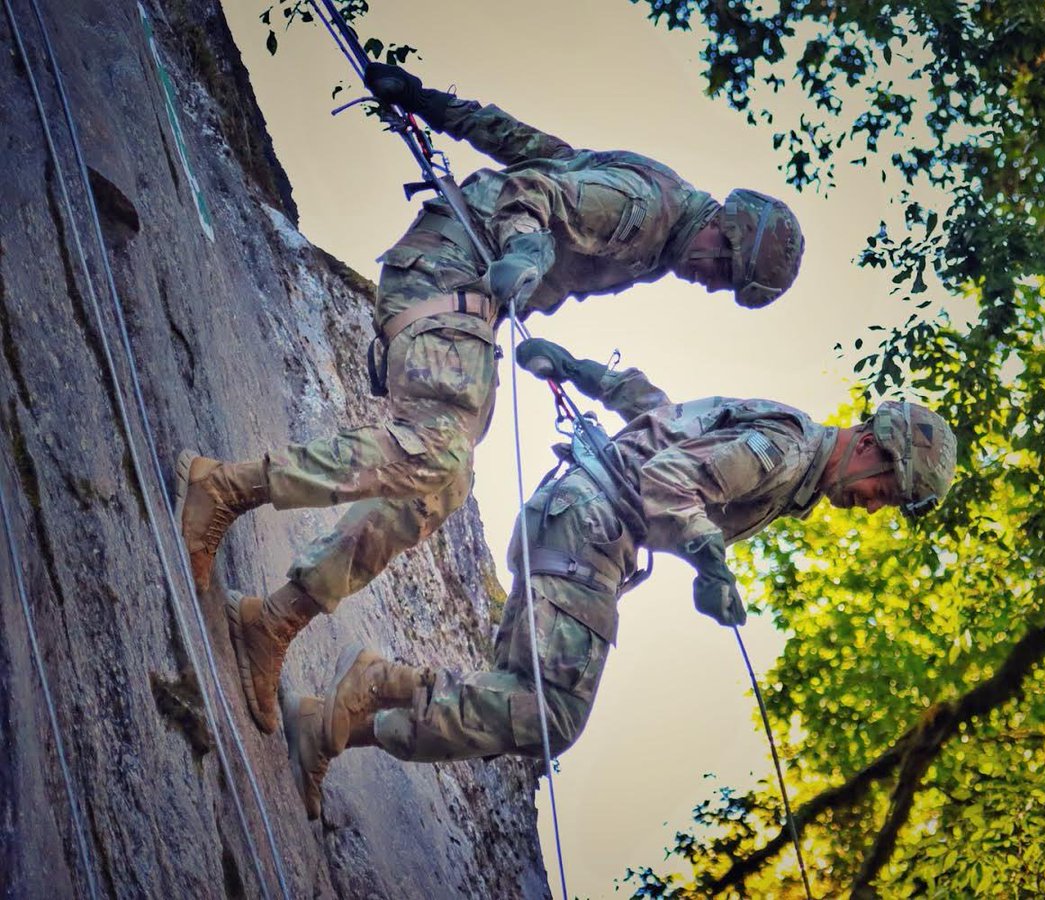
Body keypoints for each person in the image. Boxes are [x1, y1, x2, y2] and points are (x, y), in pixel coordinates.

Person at [174, 63, 807, 734]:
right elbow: (533, 189)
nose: (711, 284)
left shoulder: (655, 207)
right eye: (725, 272)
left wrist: (432, 105)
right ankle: (227, 488)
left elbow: (537, 150)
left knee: (439, 490)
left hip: (468, 299)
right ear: (725, 231)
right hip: (447, 271)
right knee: (441, 452)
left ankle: (275, 619)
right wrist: (527, 249)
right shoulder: (648, 211)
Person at [281, 338, 958, 819]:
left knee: (518, 698)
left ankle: (339, 719)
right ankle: (367, 695)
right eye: (885, 492)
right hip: (589, 531)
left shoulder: (790, 446)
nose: (873, 505)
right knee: (549, 716)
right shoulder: (786, 451)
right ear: (871, 447)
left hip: (577, 526)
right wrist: (711, 559)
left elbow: (664, 415)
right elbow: (667, 477)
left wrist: (583, 373)